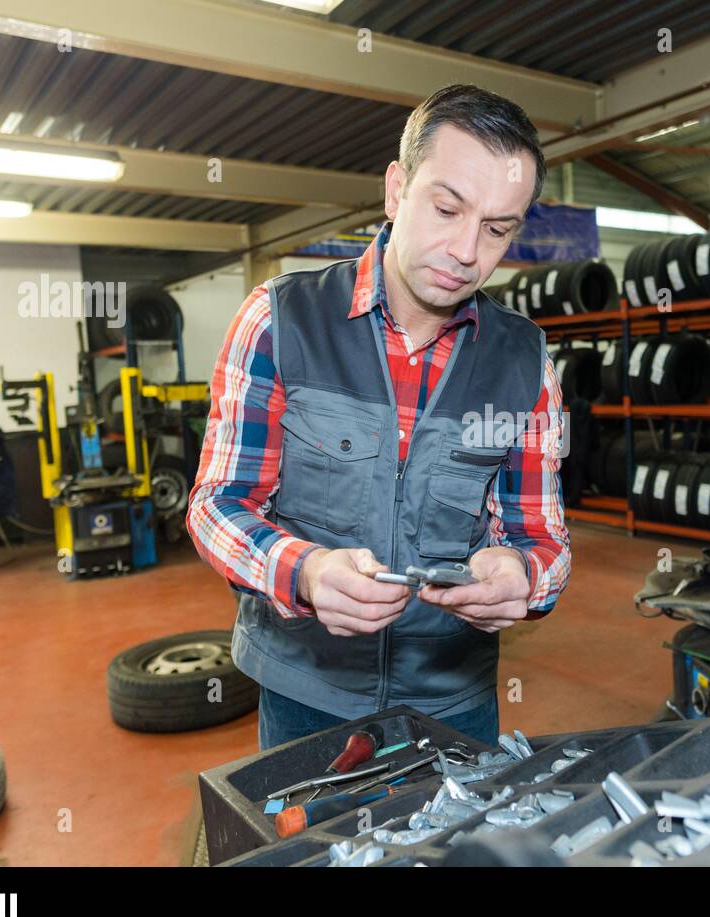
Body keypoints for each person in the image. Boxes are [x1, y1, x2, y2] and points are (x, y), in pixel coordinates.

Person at [188, 84, 571, 750]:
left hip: (454, 698)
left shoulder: (525, 363)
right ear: (397, 190)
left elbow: (544, 534)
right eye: (447, 208)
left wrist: (524, 577)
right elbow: (216, 506)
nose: (465, 249)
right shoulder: (281, 320)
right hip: (307, 693)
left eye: (497, 229)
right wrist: (302, 571)